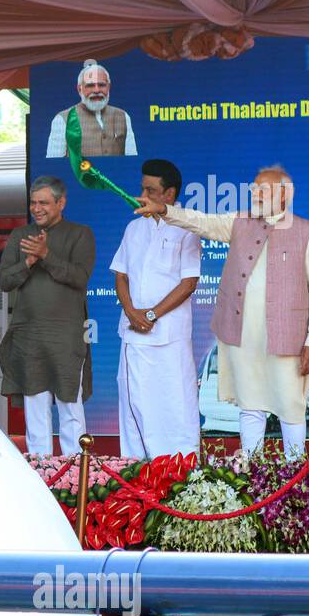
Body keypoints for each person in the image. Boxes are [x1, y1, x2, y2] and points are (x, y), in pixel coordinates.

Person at [133, 165, 309, 456]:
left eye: (263, 188)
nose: (254, 192)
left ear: (283, 196)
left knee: (290, 407)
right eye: (254, 186)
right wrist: (164, 210)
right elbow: (201, 221)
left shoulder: (304, 232)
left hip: (287, 340)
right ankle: (252, 471)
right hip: (242, 336)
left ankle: (294, 476)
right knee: (251, 405)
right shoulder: (239, 222)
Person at [0, 176, 94, 456]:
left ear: (61, 203)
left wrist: (46, 254)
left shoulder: (80, 233)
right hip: (29, 335)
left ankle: (75, 475)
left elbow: (79, 277)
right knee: (35, 408)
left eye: (44, 203)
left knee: (70, 407)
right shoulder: (19, 236)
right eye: (33, 202)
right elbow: (5, 281)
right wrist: (28, 261)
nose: (36, 208)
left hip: (66, 336)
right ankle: (41, 473)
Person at [110, 160, 202, 458]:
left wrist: (151, 314)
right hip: (134, 335)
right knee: (136, 405)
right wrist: (132, 311)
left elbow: (188, 283)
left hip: (169, 336)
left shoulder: (186, 229)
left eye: (150, 190)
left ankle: (183, 474)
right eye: (142, 188)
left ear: (169, 194)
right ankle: (137, 472)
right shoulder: (133, 227)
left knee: (176, 405)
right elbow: (121, 275)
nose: (142, 195)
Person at [46, 59, 138, 158]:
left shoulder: (123, 116)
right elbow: (53, 163)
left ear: (109, 87)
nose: (97, 90)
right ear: (79, 89)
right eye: (90, 85)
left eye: (102, 85)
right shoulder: (62, 119)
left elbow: (132, 159)